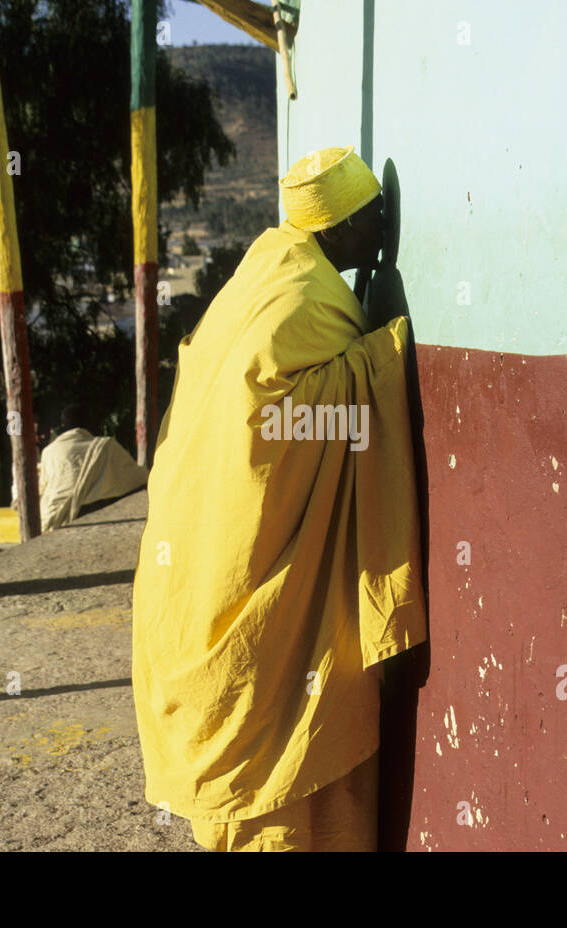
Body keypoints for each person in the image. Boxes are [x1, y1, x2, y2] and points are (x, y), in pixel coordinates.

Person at [132, 146, 427, 851]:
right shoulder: (305, 294)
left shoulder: (271, 268)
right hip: (240, 560)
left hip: (197, 565)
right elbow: (267, 417)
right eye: (369, 216)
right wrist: (376, 363)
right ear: (335, 229)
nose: (381, 226)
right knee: (282, 738)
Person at [38, 405, 147, 533]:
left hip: (53, 515)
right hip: (97, 513)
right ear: (88, 423)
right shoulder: (105, 446)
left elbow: (42, 487)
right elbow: (137, 477)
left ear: (63, 425)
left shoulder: (49, 452)